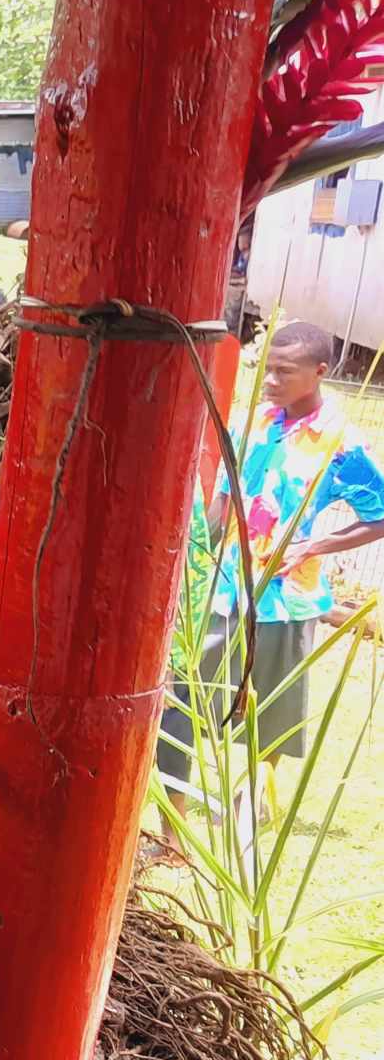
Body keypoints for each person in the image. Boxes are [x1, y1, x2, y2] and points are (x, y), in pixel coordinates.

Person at [157, 320, 384, 834]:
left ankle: (248, 804)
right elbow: (225, 498)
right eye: (268, 370)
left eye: (285, 372)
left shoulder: (340, 443)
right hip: (222, 593)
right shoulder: (252, 423)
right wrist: (196, 550)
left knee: (272, 716)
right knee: (184, 704)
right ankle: (172, 834)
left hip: (286, 601)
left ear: (319, 372)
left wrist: (313, 546)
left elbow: (379, 514)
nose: (272, 381)